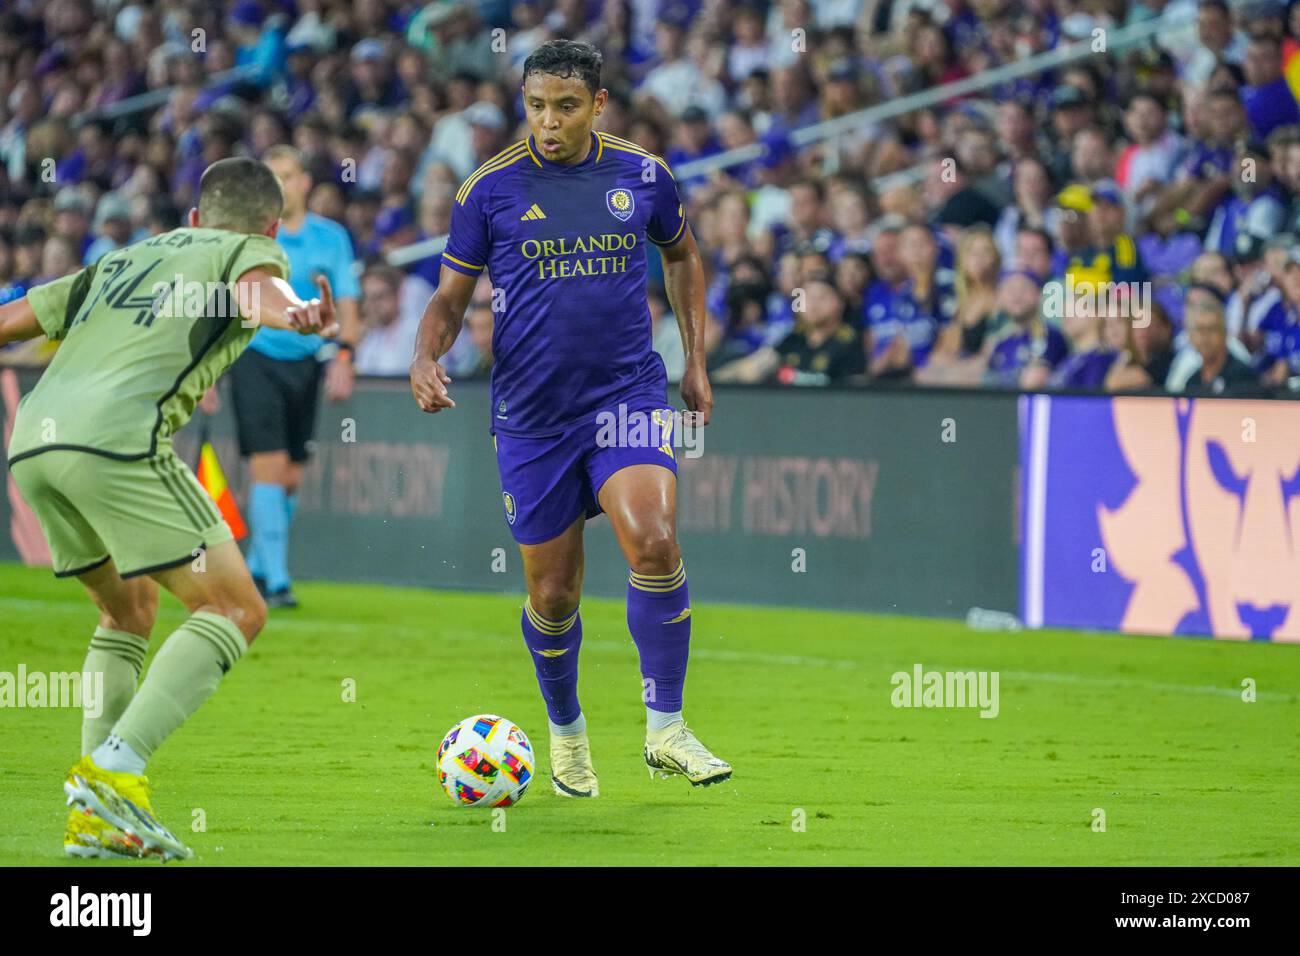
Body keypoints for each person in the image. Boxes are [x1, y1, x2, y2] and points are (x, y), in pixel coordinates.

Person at [409, 40, 730, 797]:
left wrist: (693, 358)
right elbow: (450, 299)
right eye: (535, 106)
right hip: (532, 416)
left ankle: (667, 728)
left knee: (653, 541)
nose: (547, 123)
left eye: (565, 107)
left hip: (626, 397)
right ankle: (566, 734)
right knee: (553, 596)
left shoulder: (641, 174)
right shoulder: (488, 190)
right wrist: (427, 357)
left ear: (598, 106)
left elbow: (683, 257)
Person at [0, 157, 338, 859]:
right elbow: (257, 294)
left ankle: (95, 819)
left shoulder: (123, 258)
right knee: (235, 608)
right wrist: (298, 313)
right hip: (117, 443)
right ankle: (116, 770)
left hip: (32, 442)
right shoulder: (248, 251)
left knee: (127, 611)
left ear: (192, 219)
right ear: (271, 228)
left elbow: (15, 320)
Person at [221, 145, 362, 609]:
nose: (280, 184)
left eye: (287, 174)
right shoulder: (253, 240)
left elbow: (348, 303)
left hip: (308, 360)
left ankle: (259, 566)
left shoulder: (332, 238)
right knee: (270, 465)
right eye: (272, 176)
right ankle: (277, 582)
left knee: (293, 475)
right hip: (254, 354)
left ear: (305, 182)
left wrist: (344, 355)